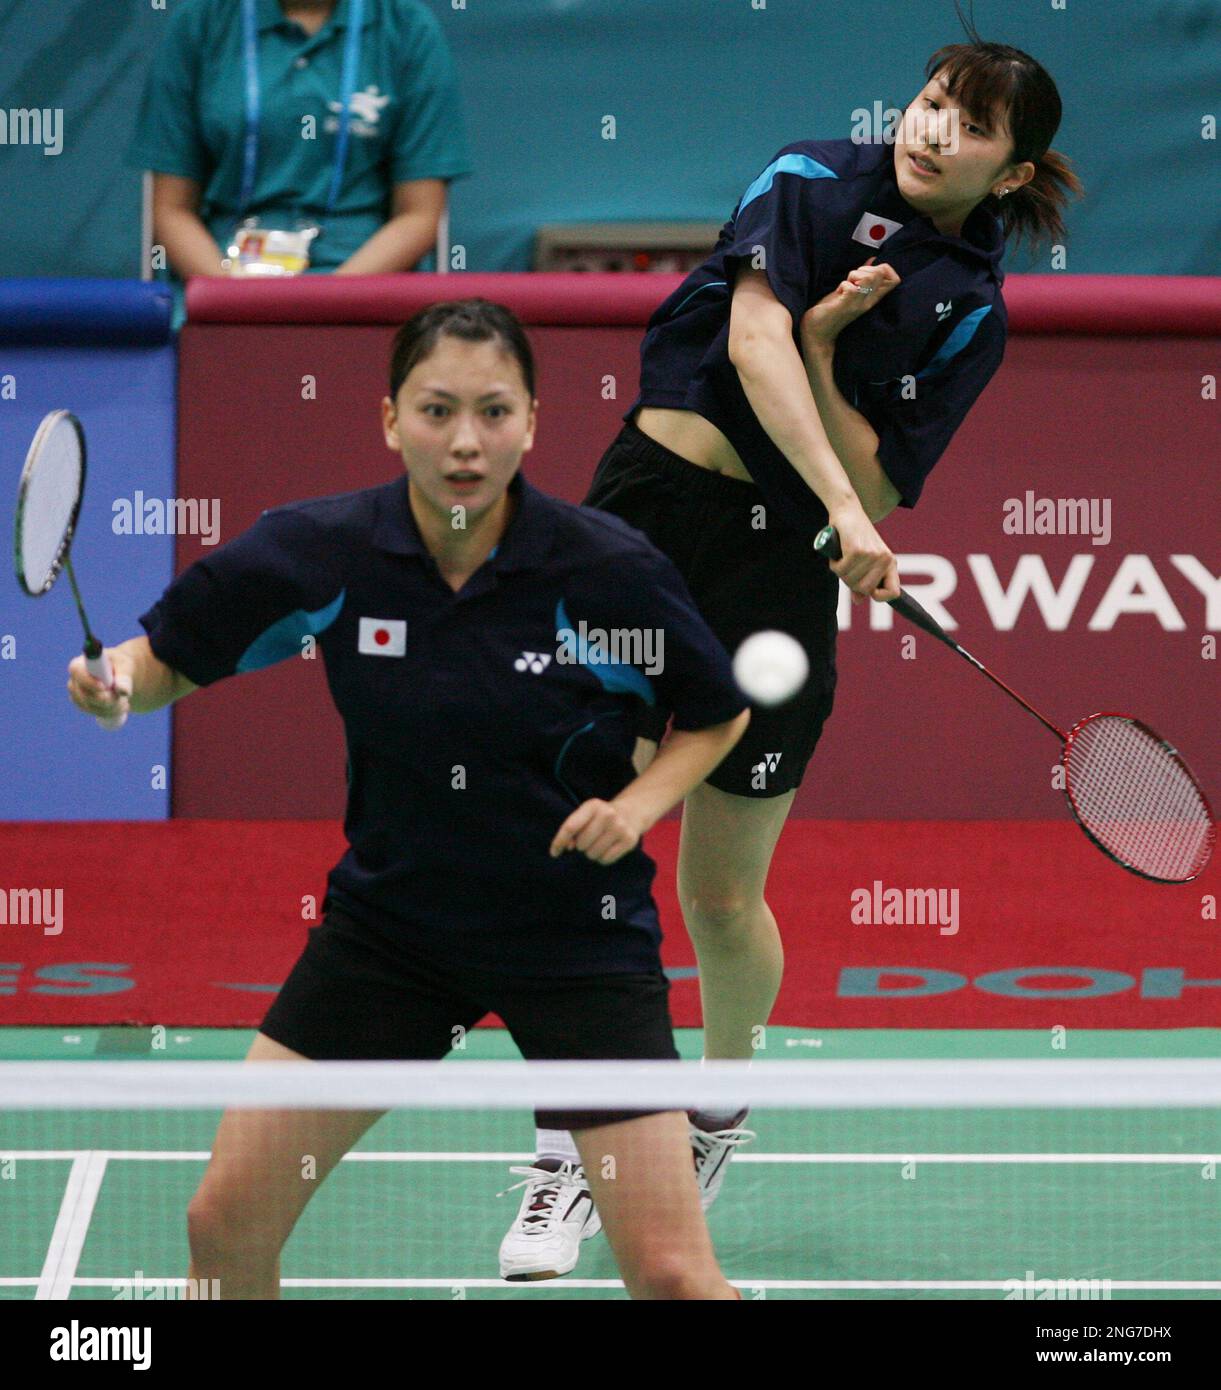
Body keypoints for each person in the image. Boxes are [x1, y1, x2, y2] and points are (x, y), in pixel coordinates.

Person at [498, 25, 1084, 1275]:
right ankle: (565, 1149)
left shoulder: (970, 309)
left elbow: (869, 452)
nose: (934, 131)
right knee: (576, 835)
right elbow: (754, 341)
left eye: (972, 126)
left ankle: (713, 1111)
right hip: (651, 510)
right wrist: (845, 492)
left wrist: (832, 360)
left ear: (1016, 171)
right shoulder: (810, 179)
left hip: (780, 572)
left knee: (719, 890)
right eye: (933, 103)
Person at [66, 298, 751, 1299]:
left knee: (676, 1276)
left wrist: (641, 804)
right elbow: (167, 657)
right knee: (221, 1223)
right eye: (436, 411)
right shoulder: (322, 551)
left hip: (575, 934)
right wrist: (116, 680)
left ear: (532, 419)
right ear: (390, 420)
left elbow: (716, 712)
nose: (466, 441)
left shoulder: (605, 568)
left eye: (492, 411)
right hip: (394, 931)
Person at [126, 0, 471, 314]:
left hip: (364, 277)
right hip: (220, 273)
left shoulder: (408, 26)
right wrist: (230, 300)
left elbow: (419, 215)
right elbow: (172, 211)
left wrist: (321, 303)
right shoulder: (199, 20)